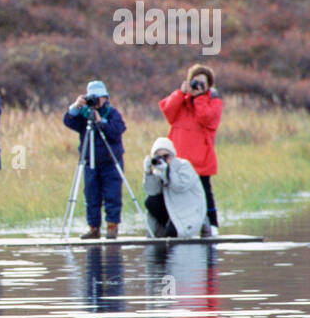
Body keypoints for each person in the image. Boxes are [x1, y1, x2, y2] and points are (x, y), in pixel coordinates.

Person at [159, 63, 222, 235]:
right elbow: (168, 112)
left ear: (209, 86)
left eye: (202, 83)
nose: (197, 86)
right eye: (195, 82)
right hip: (178, 159)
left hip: (201, 159)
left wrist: (200, 97)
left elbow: (205, 118)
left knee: (204, 193)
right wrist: (180, 93)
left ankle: (212, 225)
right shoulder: (181, 101)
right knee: (173, 193)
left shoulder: (214, 103)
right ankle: (172, 225)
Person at [63, 80, 127, 239]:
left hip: (111, 162)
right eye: (93, 98)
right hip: (90, 162)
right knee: (91, 196)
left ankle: (112, 227)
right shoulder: (84, 115)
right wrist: (76, 106)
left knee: (113, 195)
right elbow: (68, 121)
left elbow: (118, 130)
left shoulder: (112, 113)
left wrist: (101, 122)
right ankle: (93, 228)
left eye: (99, 97)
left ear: (106, 97)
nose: (96, 101)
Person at [142, 137, 206, 239]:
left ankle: (204, 224)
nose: (163, 160)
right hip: (172, 212)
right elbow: (152, 191)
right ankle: (164, 226)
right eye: (159, 157)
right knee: (150, 201)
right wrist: (148, 173)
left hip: (188, 212)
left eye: (166, 156)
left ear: (173, 155)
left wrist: (168, 171)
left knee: (172, 233)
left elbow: (179, 186)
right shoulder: (159, 171)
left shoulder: (184, 166)